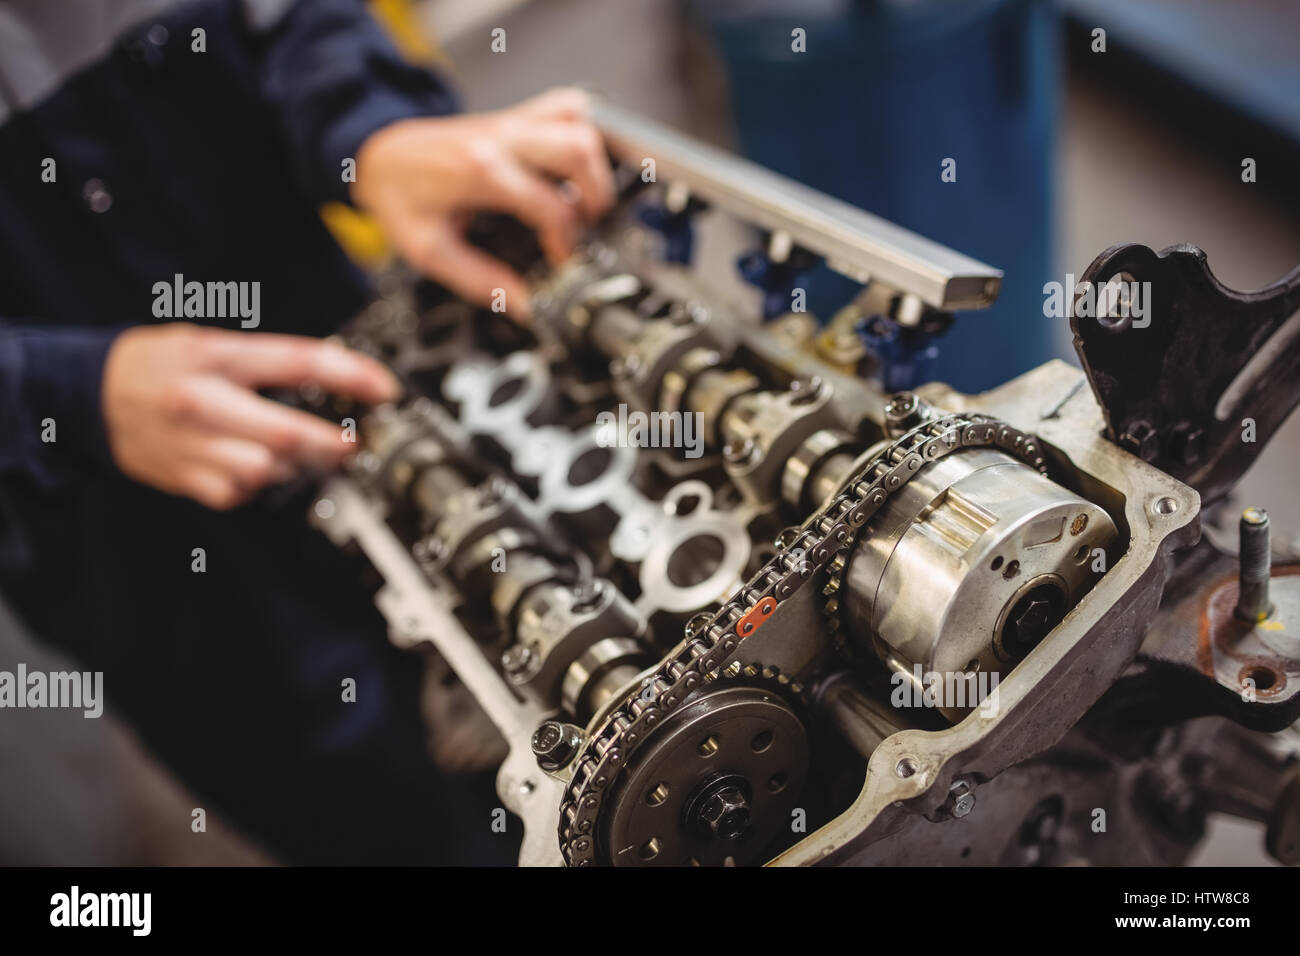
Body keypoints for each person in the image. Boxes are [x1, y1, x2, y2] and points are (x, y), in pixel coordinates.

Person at [0, 0, 612, 864]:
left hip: (355, 381)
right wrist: (54, 395)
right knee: (372, 820)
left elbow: (286, 16)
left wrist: (373, 129)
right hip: (117, 541)